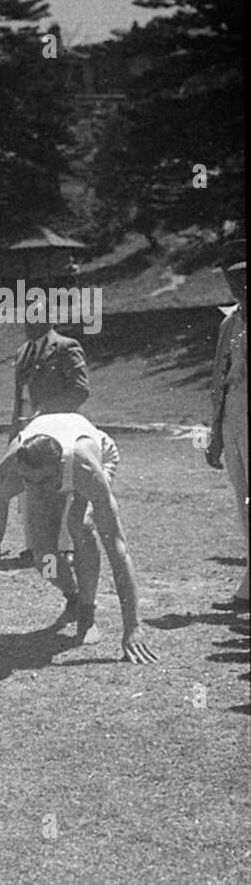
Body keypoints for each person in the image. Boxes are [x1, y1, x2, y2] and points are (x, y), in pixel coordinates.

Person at [0, 412, 158, 664]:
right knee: (43, 557)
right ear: (20, 471)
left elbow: (118, 548)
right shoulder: (6, 476)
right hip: (46, 470)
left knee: (80, 524)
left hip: (98, 455)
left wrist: (133, 627)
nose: (35, 489)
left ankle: (87, 613)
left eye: (43, 481)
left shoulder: (84, 469)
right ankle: (74, 597)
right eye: (28, 482)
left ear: (60, 467)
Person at [10, 315, 90, 561]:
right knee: (28, 481)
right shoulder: (23, 351)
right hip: (27, 424)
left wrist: (46, 410)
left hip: (58, 425)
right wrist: (15, 430)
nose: (27, 324)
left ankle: (64, 547)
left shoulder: (66, 347)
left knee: (59, 481)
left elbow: (80, 389)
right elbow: (19, 394)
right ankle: (33, 544)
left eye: (34, 319)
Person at [205, 242, 248, 609]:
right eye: (232, 279)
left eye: (244, 277)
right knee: (243, 496)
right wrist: (216, 434)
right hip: (235, 409)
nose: (239, 285)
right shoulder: (229, 322)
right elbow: (219, 380)